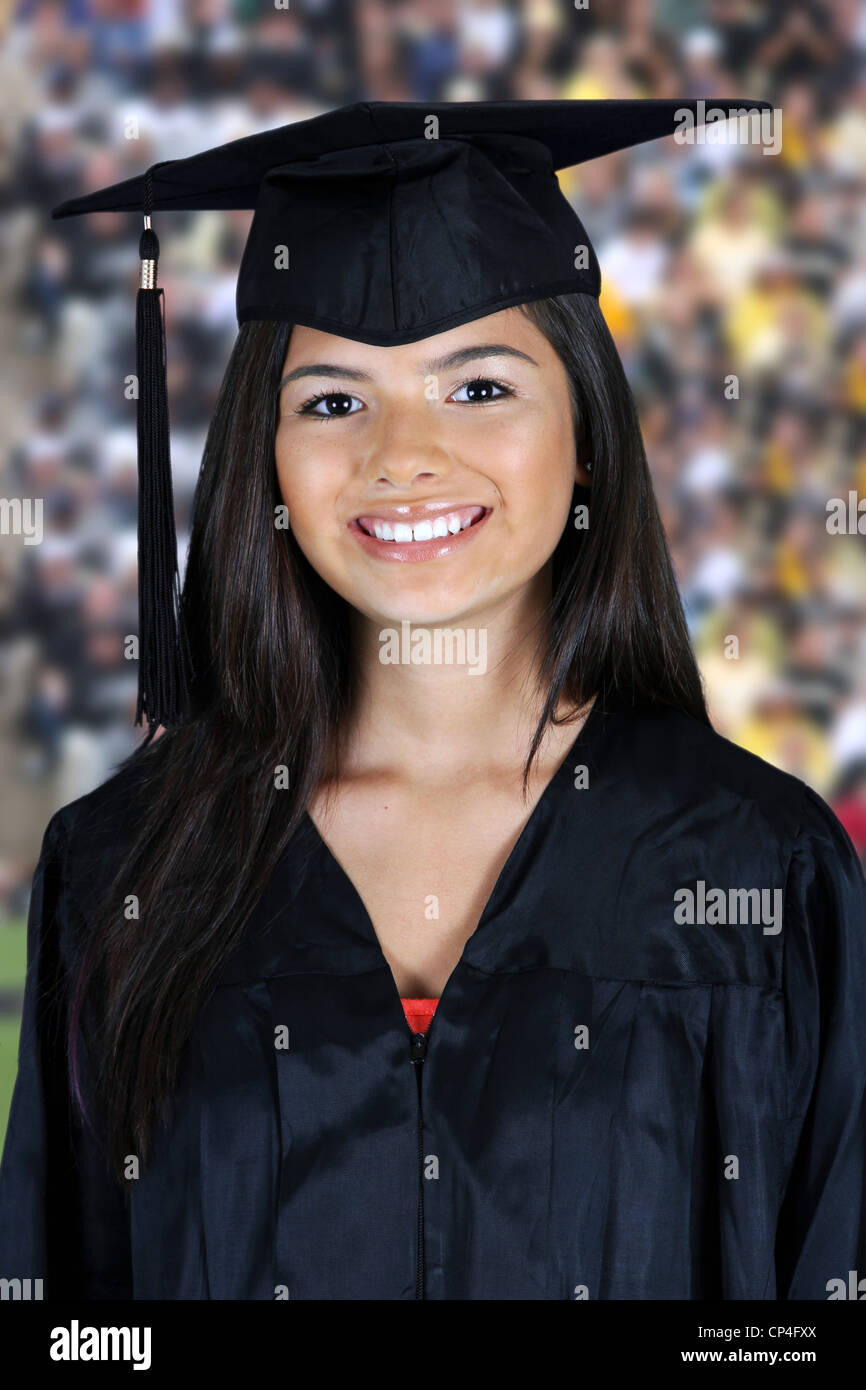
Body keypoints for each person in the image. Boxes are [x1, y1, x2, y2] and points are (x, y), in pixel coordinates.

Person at [1, 98, 864, 1302]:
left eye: (478, 386)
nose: (400, 456)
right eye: (334, 400)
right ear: (265, 455)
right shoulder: (123, 866)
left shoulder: (757, 867)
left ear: (585, 434)